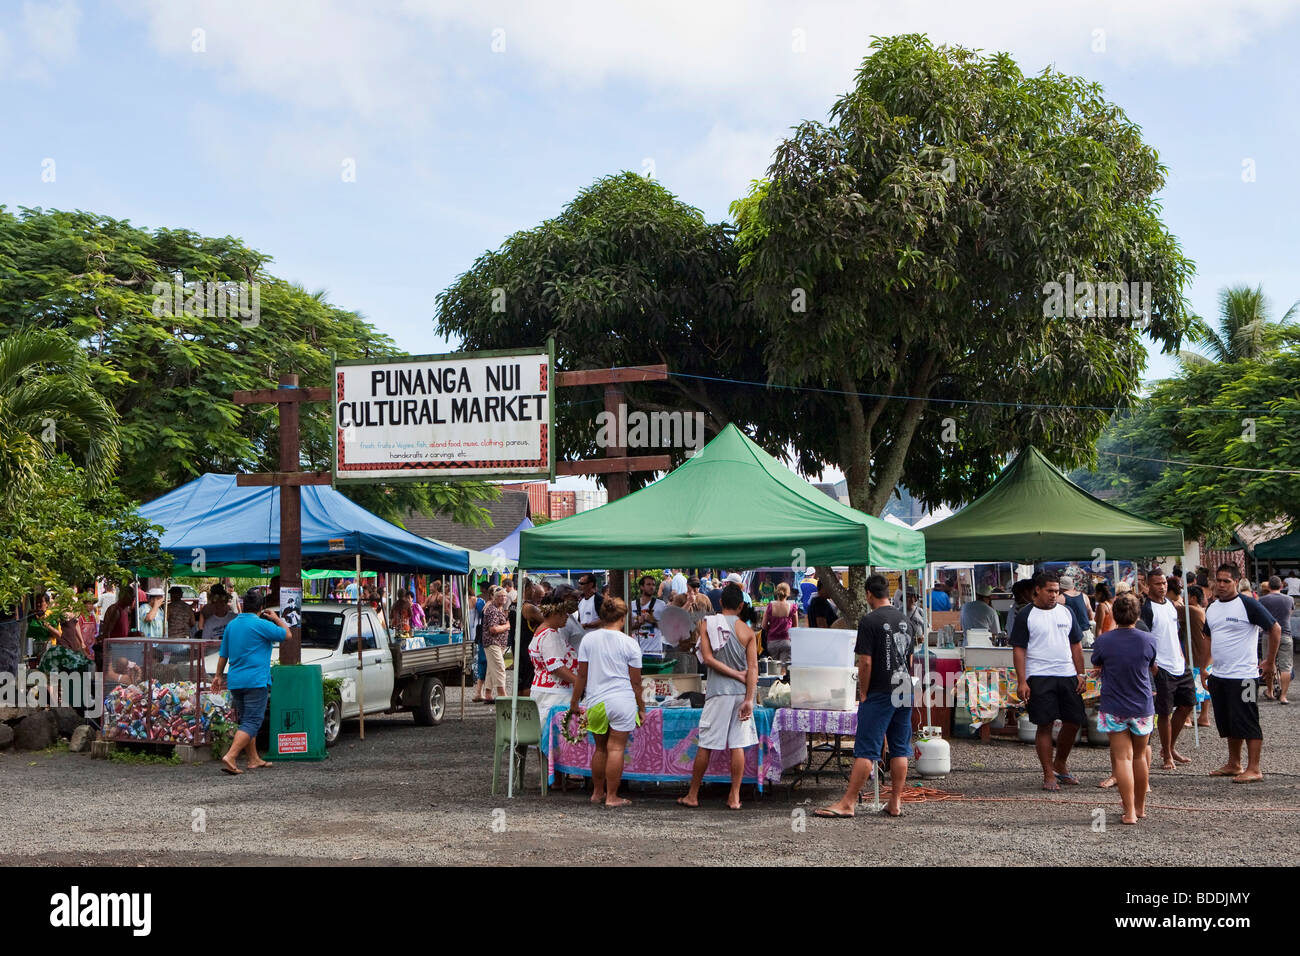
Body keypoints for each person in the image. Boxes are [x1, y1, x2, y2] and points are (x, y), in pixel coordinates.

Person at [815, 573, 914, 819]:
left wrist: (863, 691)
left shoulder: (869, 621)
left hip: (880, 690)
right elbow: (909, 660)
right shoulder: (906, 621)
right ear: (887, 593)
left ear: (869, 594)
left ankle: (848, 802)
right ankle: (895, 802)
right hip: (904, 688)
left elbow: (866, 663)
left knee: (867, 749)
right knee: (900, 748)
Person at [679, 583, 758, 810]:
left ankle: (693, 794)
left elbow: (707, 658)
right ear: (742, 605)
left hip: (718, 692)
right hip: (741, 693)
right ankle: (734, 796)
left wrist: (734, 675)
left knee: (706, 744)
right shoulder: (747, 631)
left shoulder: (708, 624)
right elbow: (752, 669)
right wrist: (749, 699)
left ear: (720, 603)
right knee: (738, 745)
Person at [1010, 571, 1086, 791]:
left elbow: (1076, 646)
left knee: (1074, 721)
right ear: (1038, 590)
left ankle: (1060, 763)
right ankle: (1048, 773)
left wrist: (1080, 674)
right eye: (1050, 591)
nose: (1054, 595)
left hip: (1067, 673)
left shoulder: (1067, 612)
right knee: (1045, 724)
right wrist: (1022, 680)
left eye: (1057, 591)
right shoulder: (1027, 614)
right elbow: (1019, 649)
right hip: (1039, 675)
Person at [1204, 562, 1279, 783]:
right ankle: (1234, 763)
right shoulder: (1213, 608)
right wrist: (1204, 668)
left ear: (1236, 582)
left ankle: (1254, 768)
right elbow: (1208, 638)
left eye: (1226, 581)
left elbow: (1274, 628)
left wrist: (1270, 661)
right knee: (1228, 721)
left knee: (1247, 720)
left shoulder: (1248, 605)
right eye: (1218, 580)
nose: (1221, 585)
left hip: (1244, 676)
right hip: (1220, 675)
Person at [568, 597, 643, 807]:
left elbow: (581, 676)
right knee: (616, 749)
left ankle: (597, 792)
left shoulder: (589, 640)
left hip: (596, 701)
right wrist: (642, 707)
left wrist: (575, 702)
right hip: (622, 700)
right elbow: (636, 682)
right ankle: (612, 796)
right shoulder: (630, 643)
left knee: (600, 749)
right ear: (623, 617)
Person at [1090, 591, 1157, 824]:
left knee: (1122, 759)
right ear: (1137, 615)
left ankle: (1128, 812)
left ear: (1113, 614)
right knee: (1139, 756)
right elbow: (1151, 663)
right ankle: (1140, 808)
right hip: (1142, 705)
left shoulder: (1104, 641)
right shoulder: (1148, 640)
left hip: (1114, 706)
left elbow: (1097, 662)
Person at [211, 590, 289, 775]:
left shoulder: (232, 625)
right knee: (253, 721)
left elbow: (224, 653)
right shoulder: (261, 624)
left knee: (246, 720)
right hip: (255, 681)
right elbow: (287, 635)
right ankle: (231, 756)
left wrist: (218, 675)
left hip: (236, 680)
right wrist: (277, 618)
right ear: (261, 608)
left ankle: (253, 759)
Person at [1140, 569, 1194, 770]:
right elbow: (1144, 638)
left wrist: (1182, 655)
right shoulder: (1146, 608)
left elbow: (1176, 634)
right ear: (1148, 586)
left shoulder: (1171, 605)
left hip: (1179, 662)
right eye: (1156, 583)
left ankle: (1170, 747)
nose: (1162, 587)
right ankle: (1166, 754)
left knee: (1187, 705)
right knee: (1164, 712)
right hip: (1160, 666)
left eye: (1163, 583)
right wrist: (1151, 664)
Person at [528, 593, 580, 743]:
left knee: (546, 735)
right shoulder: (551, 635)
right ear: (554, 613)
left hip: (544, 690)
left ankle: (547, 766)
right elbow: (555, 666)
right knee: (555, 739)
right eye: (564, 613)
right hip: (555, 694)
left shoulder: (541, 631)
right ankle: (553, 766)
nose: (566, 617)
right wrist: (577, 681)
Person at [1257, 575, 1293, 704]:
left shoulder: (1262, 600)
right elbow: (1290, 613)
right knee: (1286, 666)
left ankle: (1270, 692)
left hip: (1269, 634)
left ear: (1269, 587)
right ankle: (1283, 696)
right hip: (1286, 634)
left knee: (1269, 663)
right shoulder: (1290, 599)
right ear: (1281, 586)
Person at [1184, 584, 1213, 729]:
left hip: (1196, 655)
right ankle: (1204, 717)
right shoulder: (1202, 610)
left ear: (1193, 598)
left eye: (1186, 595)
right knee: (1205, 687)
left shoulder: (1191, 610)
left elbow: (1172, 608)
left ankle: (1187, 718)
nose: (1183, 598)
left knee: (1192, 687)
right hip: (1207, 655)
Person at [481, 587, 511, 703]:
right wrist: (507, 626)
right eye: (500, 596)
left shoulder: (500, 609)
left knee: (491, 668)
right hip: (493, 643)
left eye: (504, 596)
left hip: (498, 643)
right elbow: (493, 629)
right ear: (494, 597)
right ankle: (502, 694)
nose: (503, 598)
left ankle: (488, 694)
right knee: (500, 667)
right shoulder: (493, 610)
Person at [630, 574, 668, 658]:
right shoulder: (632, 605)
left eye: (653, 585)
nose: (652, 587)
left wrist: (653, 620)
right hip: (636, 651)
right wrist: (637, 623)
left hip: (654, 652)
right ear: (641, 587)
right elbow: (626, 628)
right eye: (648, 584)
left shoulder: (661, 604)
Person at [761, 582, 800, 662]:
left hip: (772, 642)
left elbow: (764, 626)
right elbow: (795, 627)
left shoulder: (770, 606)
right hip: (786, 641)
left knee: (773, 670)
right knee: (784, 670)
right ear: (788, 593)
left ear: (777, 592)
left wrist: (771, 629)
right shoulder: (792, 607)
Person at [198, 583, 237, 648]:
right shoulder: (228, 608)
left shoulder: (205, 608)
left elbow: (200, 626)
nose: (220, 606)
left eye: (222, 603)